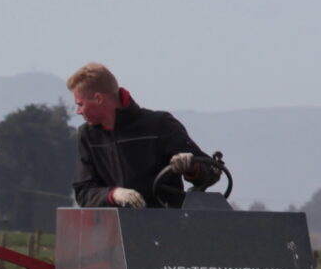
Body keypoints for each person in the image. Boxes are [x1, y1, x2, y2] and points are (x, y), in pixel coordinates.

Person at [67, 63, 219, 208]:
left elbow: (210, 172)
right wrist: (114, 195)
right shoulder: (87, 136)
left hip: (166, 225)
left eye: (80, 104)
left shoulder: (160, 125)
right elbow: (84, 192)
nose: (78, 111)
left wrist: (192, 167)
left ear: (98, 99)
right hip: (113, 229)